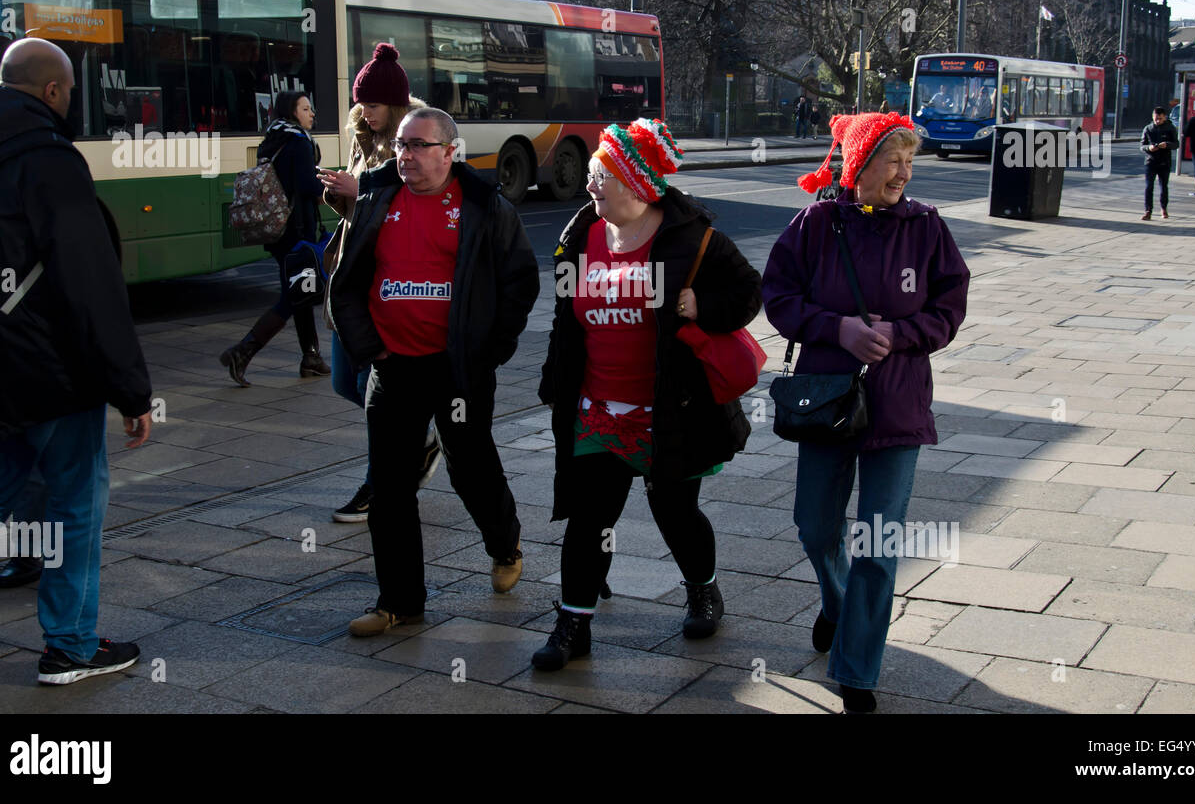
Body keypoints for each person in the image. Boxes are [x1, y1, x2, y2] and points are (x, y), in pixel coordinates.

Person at [530, 119, 762, 671]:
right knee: (590, 518)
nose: (590, 186)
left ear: (635, 183)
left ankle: (703, 588)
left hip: (671, 410)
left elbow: (748, 291)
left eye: (599, 176)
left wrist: (702, 306)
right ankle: (573, 621)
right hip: (597, 408)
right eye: (590, 174)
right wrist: (556, 380)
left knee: (675, 514)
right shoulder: (579, 235)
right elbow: (568, 319)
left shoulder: (691, 238)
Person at [0, 37, 153, 684]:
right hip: (52, 373)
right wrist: (131, 389)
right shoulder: (51, 160)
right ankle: (70, 644)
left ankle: (71, 639)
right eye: (69, 90)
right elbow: (92, 286)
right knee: (75, 502)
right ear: (50, 91)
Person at [762, 111, 969, 714]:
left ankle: (855, 671)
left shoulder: (927, 227)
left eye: (910, 162)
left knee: (878, 543)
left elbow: (950, 308)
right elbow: (778, 296)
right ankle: (837, 601)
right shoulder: (816, 224)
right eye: (892, 161)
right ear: (859, 164)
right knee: (815, 528)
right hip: (827, 400)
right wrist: (839, 330)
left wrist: (902, 333)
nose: (903, 173)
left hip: (898, 406)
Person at [329, 106, 539, 635]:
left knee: (471, 467)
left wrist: (487, 350)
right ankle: (398, 602)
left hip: (457, 369)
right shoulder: (375, 198)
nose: (407, 155)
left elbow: (520, 282)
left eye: (420, 146)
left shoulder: (484, 205)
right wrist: (366, 347)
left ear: (450, 152)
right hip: (392, 366)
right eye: (402, 144)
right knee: (390, 487)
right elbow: (346, 281)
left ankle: (504, 541)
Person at [318, 44, 439, 523]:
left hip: (391, 285)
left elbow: (415, 208)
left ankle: (379, 484)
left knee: (376, 396)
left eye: (372, 105)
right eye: (360, 104)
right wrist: (340, 196)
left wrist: (362, 189)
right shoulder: (361, 140)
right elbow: (361, 216)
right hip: (354, 277)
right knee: (344, 382)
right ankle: (422, 440)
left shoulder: (416, 140)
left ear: (395, 104)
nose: (364, 113)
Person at [218, 90, 330, 385]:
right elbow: (305, 185)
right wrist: (326, 190)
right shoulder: (299, 142)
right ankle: (243, 351)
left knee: (300, 293)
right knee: (293, 297)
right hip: (298, 233)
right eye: (306, 108)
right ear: (293, 112)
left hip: (278, 230)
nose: (312, 114)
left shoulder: (273, 139)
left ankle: (312, 357)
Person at [1139, 106, 1179, 221]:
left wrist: (1167, 145)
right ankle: (1148, 210)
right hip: (1150, 161)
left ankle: (1163, 208)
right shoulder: (1148, 128)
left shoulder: (1170, 128)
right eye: (1156, 118)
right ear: (1153, 116)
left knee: (1163, 186)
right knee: (1148, 187)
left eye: (1160, 119)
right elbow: (1142, 146)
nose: (1158, 121)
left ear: (1164, 117)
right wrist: (1149, 148)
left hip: (1164, 161)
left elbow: (1176, 144)